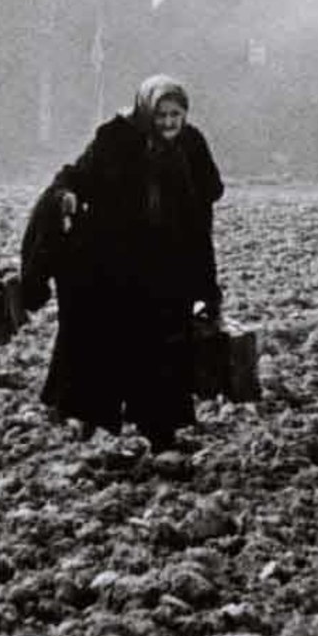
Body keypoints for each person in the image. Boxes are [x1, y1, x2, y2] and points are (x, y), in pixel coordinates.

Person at [41, 74, 224, 453]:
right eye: (162, 115)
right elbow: (74, 175)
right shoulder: (116, 137)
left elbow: (212, 189)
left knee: (165, 347)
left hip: (169, 262)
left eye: (177, 114)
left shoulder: (191, 142)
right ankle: (91, 418)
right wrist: (67, 195)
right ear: (146, 110)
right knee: (112, 341)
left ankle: (160, 430)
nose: (170, 123)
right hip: (116, 261)